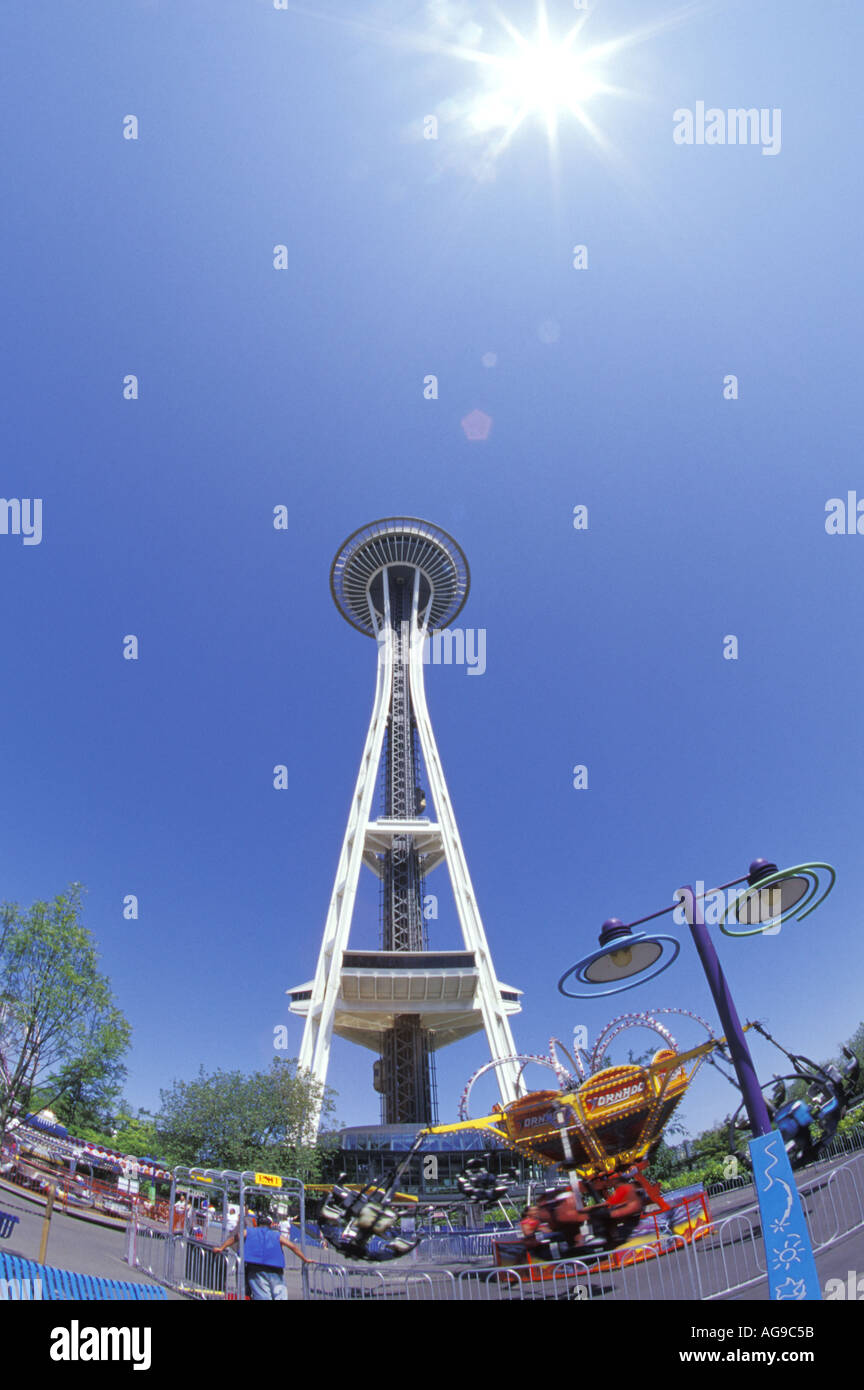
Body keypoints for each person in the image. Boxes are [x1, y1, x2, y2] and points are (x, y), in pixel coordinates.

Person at [214, 1210, 313, 1299]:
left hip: (256, 1269)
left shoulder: (248, 1231)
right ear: (270, 1225)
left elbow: (234, 1238)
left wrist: (221, 1248)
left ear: (256, 1224)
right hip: (275, 1269)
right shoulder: (277, 1235)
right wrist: (305, 1259)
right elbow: (293, 1246)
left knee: (262, 1295)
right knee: (280, 1295)